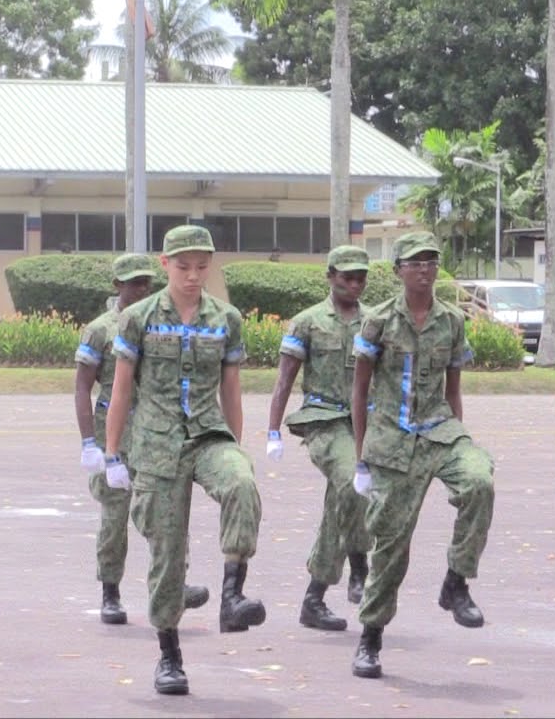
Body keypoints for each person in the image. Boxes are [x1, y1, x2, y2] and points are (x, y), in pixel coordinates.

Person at [104, 225, 264, 696]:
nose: (193, 276)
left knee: (241, 483)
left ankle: (232, 595)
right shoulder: (139, 318)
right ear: (164, 264)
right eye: (183, 267)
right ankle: (169, 655)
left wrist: (237, 444)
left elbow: (231, 389)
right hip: (156, 446)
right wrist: (112, 453)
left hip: (209, 434)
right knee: (167, 556)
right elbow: (120, 389)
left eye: (201, 267)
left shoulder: (226, 318)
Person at [348, 231, 495, 679]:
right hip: (392, 441)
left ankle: (457, 582)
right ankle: (370, 637)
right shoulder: (377, 322)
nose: (425, 270)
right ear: (397, 271)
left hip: (440, 430)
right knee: (392, 548)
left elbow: (454, 388)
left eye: (431, 262)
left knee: (479, 481)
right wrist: (361, 457)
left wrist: (461, 434)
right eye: (415, 263)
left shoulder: (451, 321)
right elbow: (360, 390)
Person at [73, 253, 208, 625]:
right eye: (133, 283)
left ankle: (173, 585)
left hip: (154, 431)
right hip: (111, 433)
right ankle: (110, 591)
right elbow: (82, 386)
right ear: (117, 285)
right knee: (115, 515)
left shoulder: (158, 322)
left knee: (165, 509)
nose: (142, 288)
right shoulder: (100, 329)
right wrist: (89, 443)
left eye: (147, 282)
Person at [265, 245, 373, 633]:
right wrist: (273, 430)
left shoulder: (375, 321)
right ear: (330, 276)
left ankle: (315, 597)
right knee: (348, 481)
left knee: (348, 497)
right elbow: (284, 379)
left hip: (366, 423)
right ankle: (359, 564)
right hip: (323, 419)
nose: (356, 283)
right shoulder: (308, 321)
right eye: (348, 276)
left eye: (362, 277)